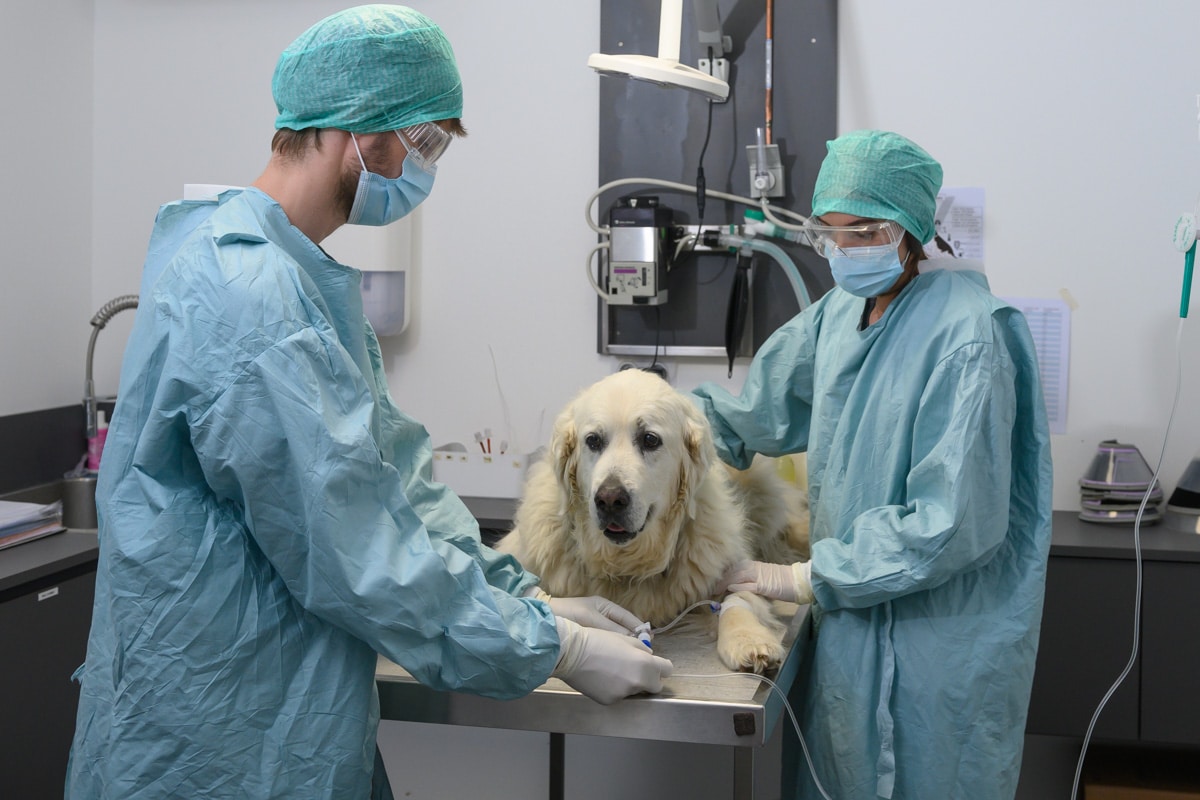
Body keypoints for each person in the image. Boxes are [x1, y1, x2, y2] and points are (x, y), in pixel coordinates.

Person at [66, 6, 670, 799]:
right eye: (429, 142)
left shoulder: (295, 279)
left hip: (283, 720)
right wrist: (550, 647)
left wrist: (522, 596)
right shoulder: (252, 298)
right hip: (220, 741)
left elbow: (396, 485)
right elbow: (361, 555)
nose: (428, 167)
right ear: (366, 131)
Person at [693, 130, 1053, 800]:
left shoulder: (970, 334)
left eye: (861, 233)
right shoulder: (842, 312)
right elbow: (755, 415)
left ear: (910, 230)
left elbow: (950, 525)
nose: (844, 251)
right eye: (831, 234)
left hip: (936, 651)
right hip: (853, 633)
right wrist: (659, 422)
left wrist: (797, 576)